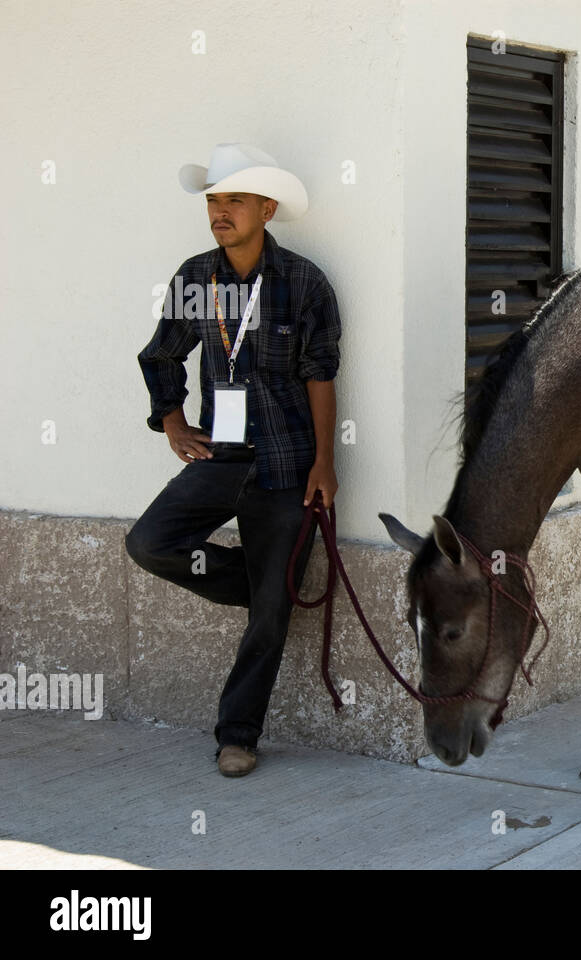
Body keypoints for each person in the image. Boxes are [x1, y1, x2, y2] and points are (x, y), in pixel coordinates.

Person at [126, 143, 342, 775]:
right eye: (214, 201)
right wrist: (171, 421)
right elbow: (161, 353)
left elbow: (321, 374)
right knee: (150, 542)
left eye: (234, 201)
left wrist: (326, 464)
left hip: (288, 463)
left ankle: (237, 734)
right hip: (222, 456)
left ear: (266, 209)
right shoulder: (195, 278)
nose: (220, 213)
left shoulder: (304, 282)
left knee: (272, 617)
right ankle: (262, 587)